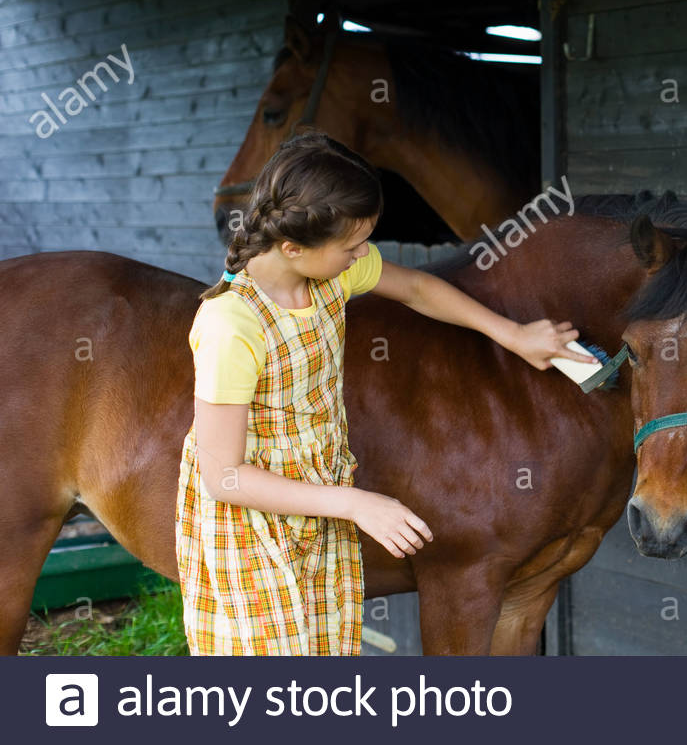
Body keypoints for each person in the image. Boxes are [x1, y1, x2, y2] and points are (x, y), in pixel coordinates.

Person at [175, 130, 598, 655]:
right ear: (292, 246)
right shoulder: (231, 325)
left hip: (321, 501)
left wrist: (512, 335)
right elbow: (224, 476)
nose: (361, 257)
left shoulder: (325, 277)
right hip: (254, 527)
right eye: (351, 247)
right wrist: (355, 503)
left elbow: (419, 289)